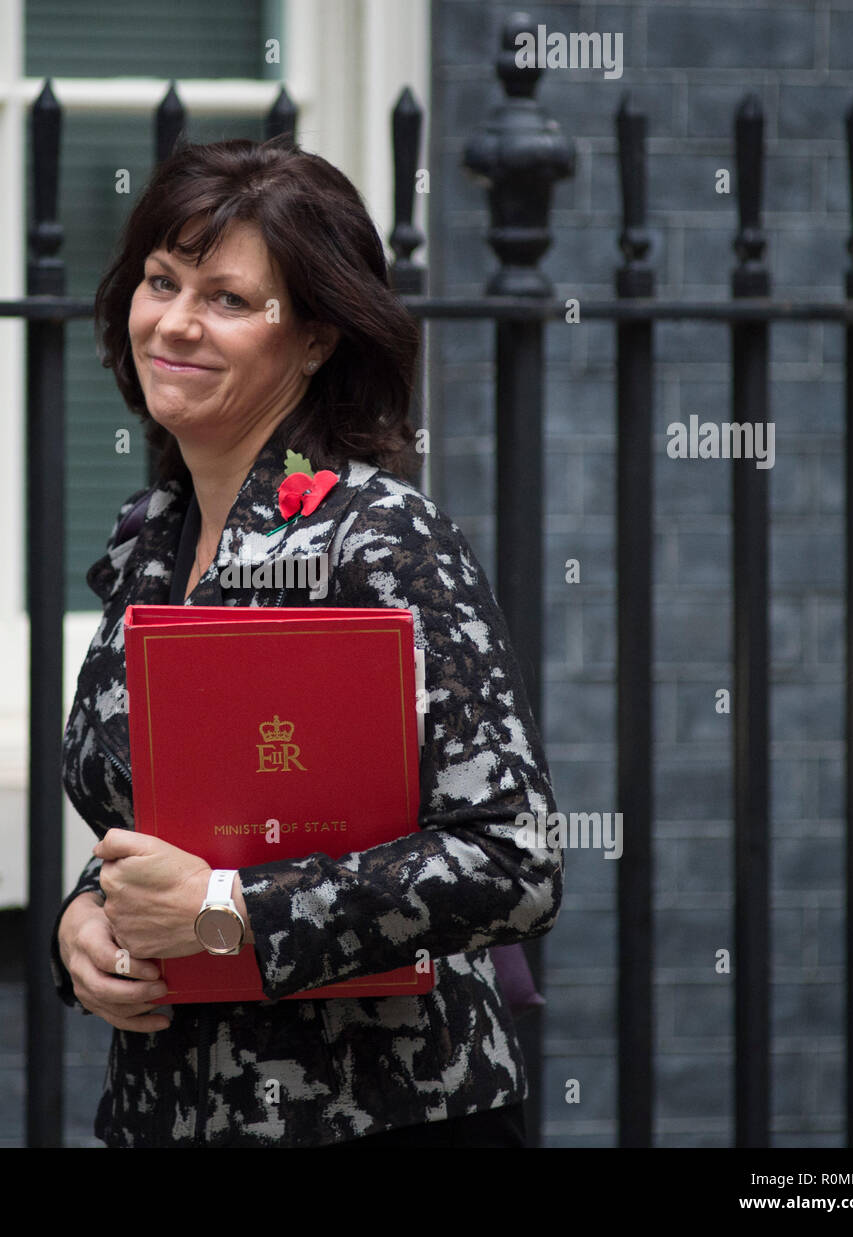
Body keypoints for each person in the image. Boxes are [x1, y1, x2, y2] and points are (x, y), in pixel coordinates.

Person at [50, 136, 563, 1148]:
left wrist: (228, 913)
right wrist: (85, 921)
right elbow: (180, 820)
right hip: (163, 1112)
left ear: (318, 336)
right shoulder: (152, 538)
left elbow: (515, 857)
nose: (177, 321)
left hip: (379, 1120)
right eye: (162, 281)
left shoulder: (381, 536)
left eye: (229, 299)